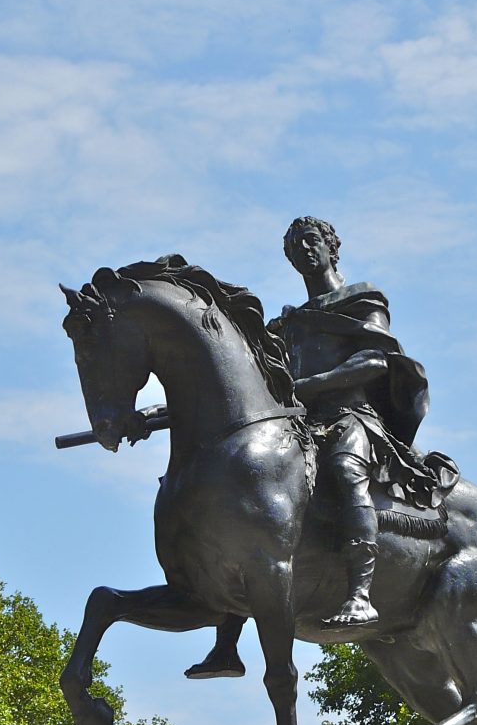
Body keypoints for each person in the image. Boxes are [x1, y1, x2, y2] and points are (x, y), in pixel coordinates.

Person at [184, 217, 456, 678]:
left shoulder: (361, 299)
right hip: (302, 424)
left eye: (312, 241)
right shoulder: (285, 323)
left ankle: (361, 594)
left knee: (347, 471)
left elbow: (374, 360)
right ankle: (226, 644)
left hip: (354, 419)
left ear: (333, 247)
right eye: (295, 247)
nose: (304, 250)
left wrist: (308, 385)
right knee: (242, 492)